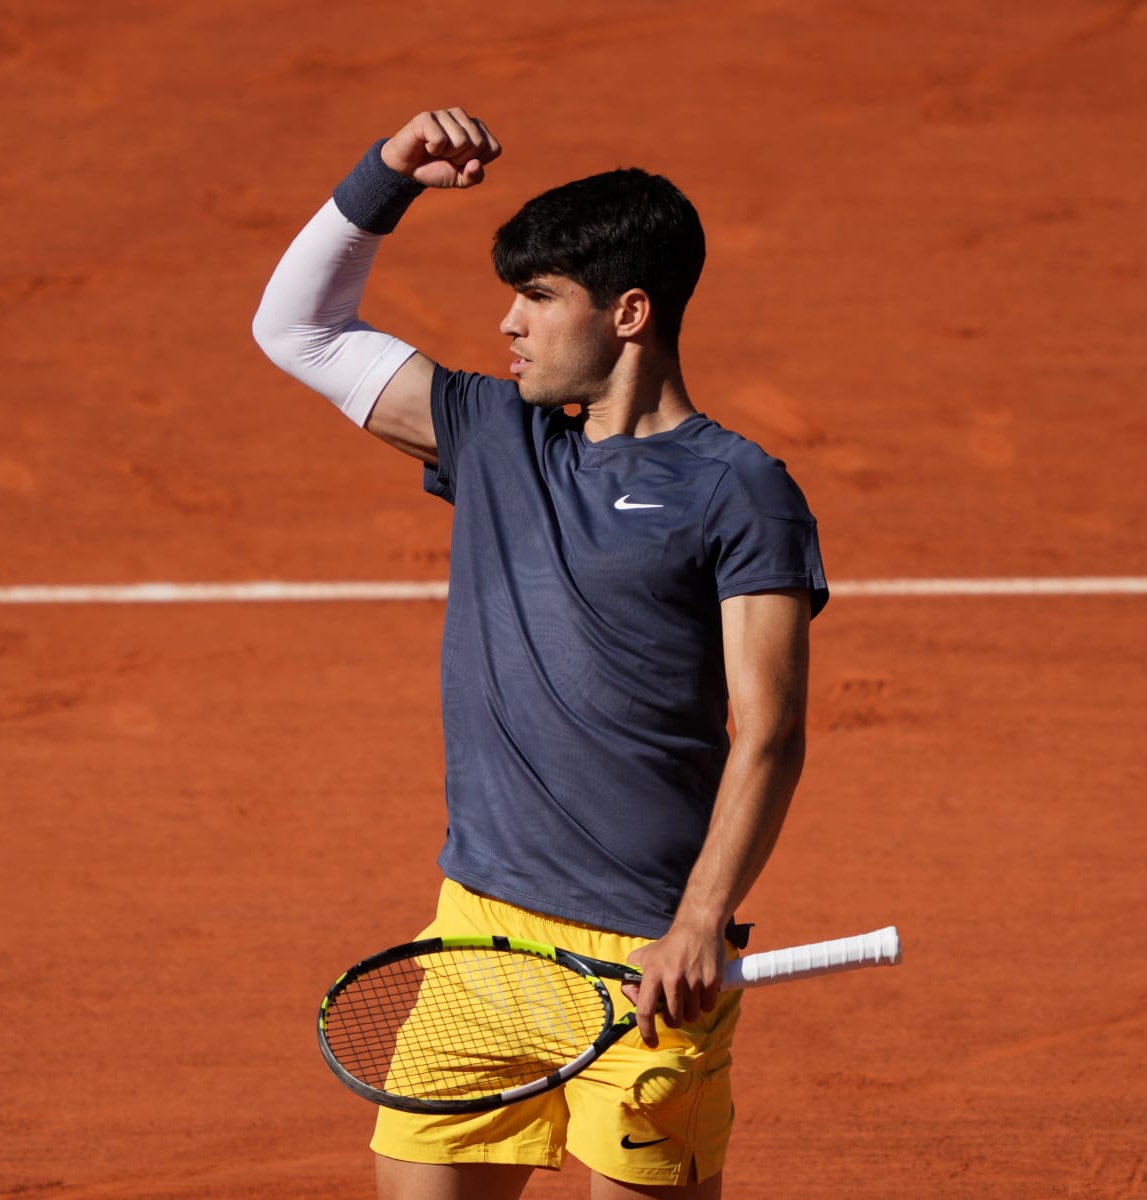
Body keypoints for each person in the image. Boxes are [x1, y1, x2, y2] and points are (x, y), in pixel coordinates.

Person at [252, 109, 828, 1200]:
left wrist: (700, 922)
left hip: (648, 959)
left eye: (539, 297)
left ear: (629, 312)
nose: (508, 323)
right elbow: (300, 333)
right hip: (475, 937)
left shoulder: (739, 490)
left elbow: (772, 729)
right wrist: (385, 177)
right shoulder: (493, 433)